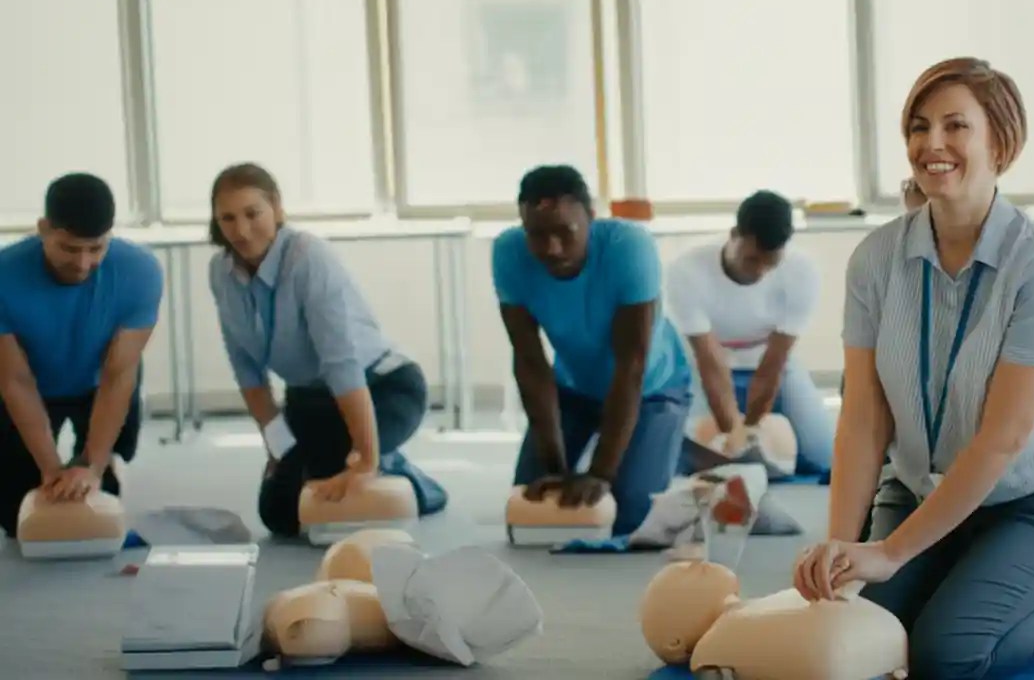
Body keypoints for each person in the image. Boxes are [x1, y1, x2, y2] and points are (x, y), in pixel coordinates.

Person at [791, 57, 1034, 679]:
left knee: (944, 655)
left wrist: (891, 553)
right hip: (914, 496)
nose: (931, 143)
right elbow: (862, 422)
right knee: (861, 637)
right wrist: (843, 550)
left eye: (955, 126)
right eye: (919, 126)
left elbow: (1002, 440)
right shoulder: (875, 260)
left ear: (1000, 144)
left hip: (1032, 506)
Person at [206, 163, 446, 537]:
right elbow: (247, 370)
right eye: (228, 218)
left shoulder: (308, 257)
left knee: (343, 483)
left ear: (277, 208)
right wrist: (276, 449)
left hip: (382, 388)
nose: (241, 230)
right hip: (311, 402)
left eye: (253, 214)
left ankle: (404, 474)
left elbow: (341, 364)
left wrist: (365, 458)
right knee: (280, 514)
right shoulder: (220, 272)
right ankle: (374, 456)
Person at [493, 165, 692, 536]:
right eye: (537, 235)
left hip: (651, 389)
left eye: (565, 232)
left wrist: (601, 472)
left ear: (591, 217)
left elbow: (631, 365)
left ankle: (672, 448)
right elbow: (530, 362)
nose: (552, 249)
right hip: (576, 389)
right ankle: (651, 449)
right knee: (532, 508)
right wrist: (555, 468)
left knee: (628, 514)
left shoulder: (628, 247)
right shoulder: (508, 252)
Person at [0, 173, 163, 536]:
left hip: (99, 381)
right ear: (43, 229)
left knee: (98, 495)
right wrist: (50, 469)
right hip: (34, 382)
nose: (83, 263)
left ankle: (109, 464)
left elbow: (118, 374)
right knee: (16, 516)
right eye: (70, 249)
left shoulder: (140, 271)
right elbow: (15, 381)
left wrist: (91, 466)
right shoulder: (4, 275)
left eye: (96, 249)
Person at [666, 190, 832, 477]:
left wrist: (752, 428)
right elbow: (710, 363)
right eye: (752, 260)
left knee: (822, 457)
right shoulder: (686, 269)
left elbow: (774, 364)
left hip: (767, 363)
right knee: (688, 456)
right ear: (734, 235)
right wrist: (733, 434)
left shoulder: (801, 271)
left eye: (771, 263)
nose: (760, 271)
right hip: (702, 367)